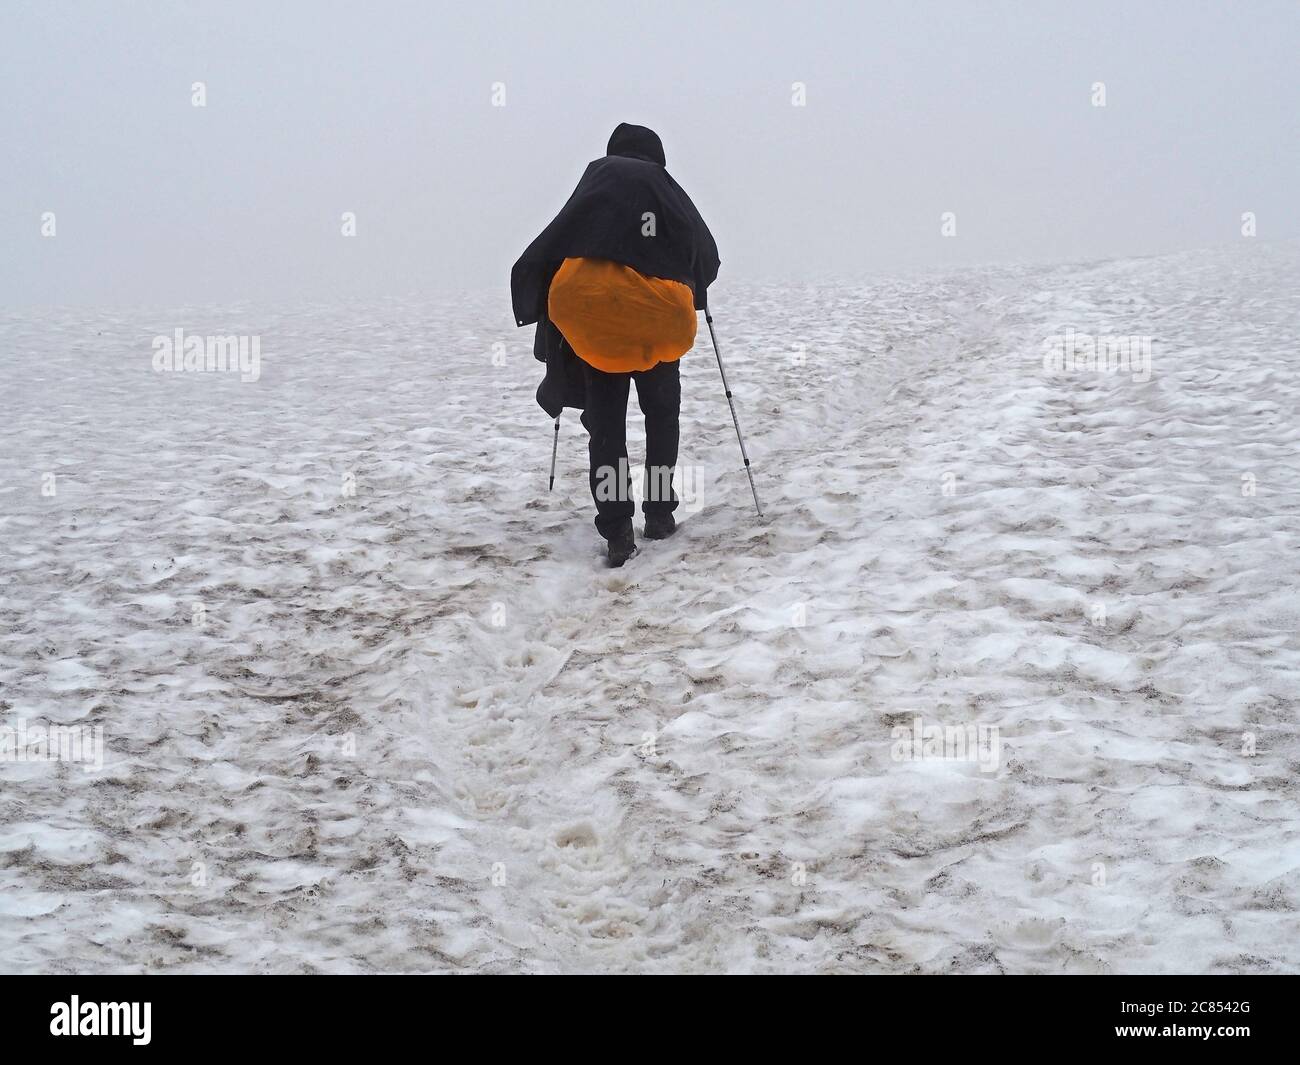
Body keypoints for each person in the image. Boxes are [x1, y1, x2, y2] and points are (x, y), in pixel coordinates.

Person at [511, 123, 719, 566]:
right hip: (655, 323)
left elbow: (557, 240)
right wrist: (692, 287)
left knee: (607, 429)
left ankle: (617, 529)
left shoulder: (597, 179)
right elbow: (706, 251)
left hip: (597, 325)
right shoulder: (663, 186)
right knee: (661, 418)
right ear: (656, 156)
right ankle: (660, 513)